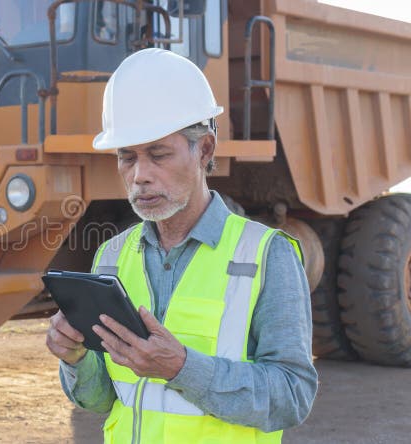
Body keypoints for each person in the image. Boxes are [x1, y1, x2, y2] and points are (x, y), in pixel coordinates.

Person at [45, 48, 317, 443]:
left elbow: (292, 397)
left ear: (204, 149)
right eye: (127, 157)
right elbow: (103, 399)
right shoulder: (111, 257)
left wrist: (182, 368)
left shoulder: (266, 254)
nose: (140, 176)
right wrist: (76, 359)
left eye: (158, 155)